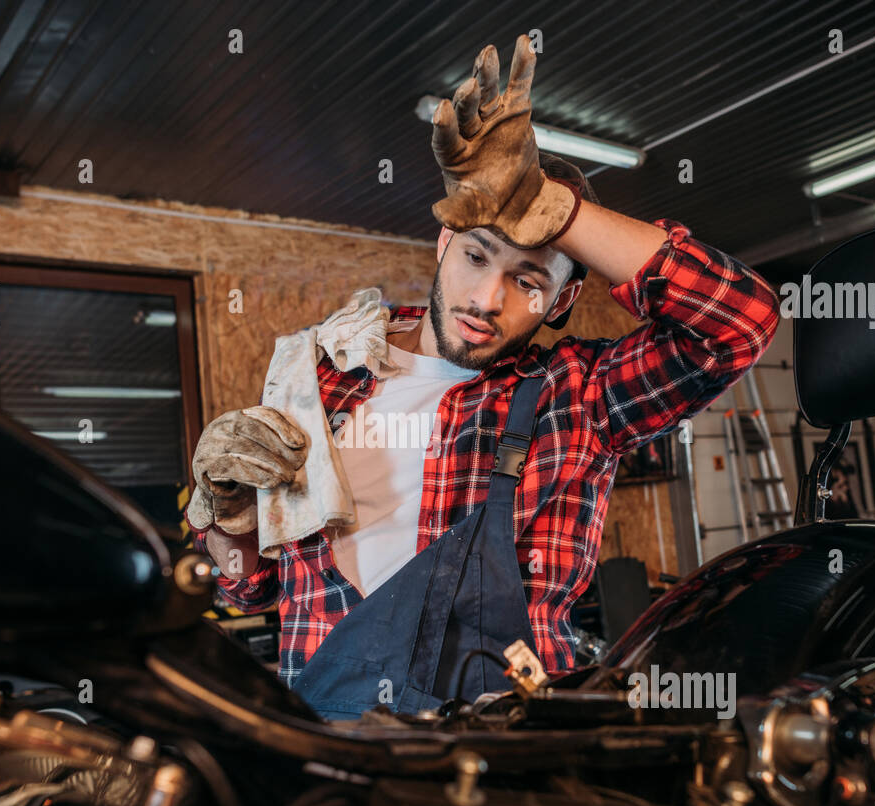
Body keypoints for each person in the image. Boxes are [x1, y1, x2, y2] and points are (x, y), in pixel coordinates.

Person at [188, 35, 780, 718]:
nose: (486, 299)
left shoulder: (579, 396)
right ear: (443, 243)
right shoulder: (322, 378)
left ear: (559, 302)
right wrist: (229, 518)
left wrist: (562, 213)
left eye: (527, 280)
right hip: (327, 752)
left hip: (500, 763)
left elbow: (740, 321)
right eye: (476, 255)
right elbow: (246, 591)